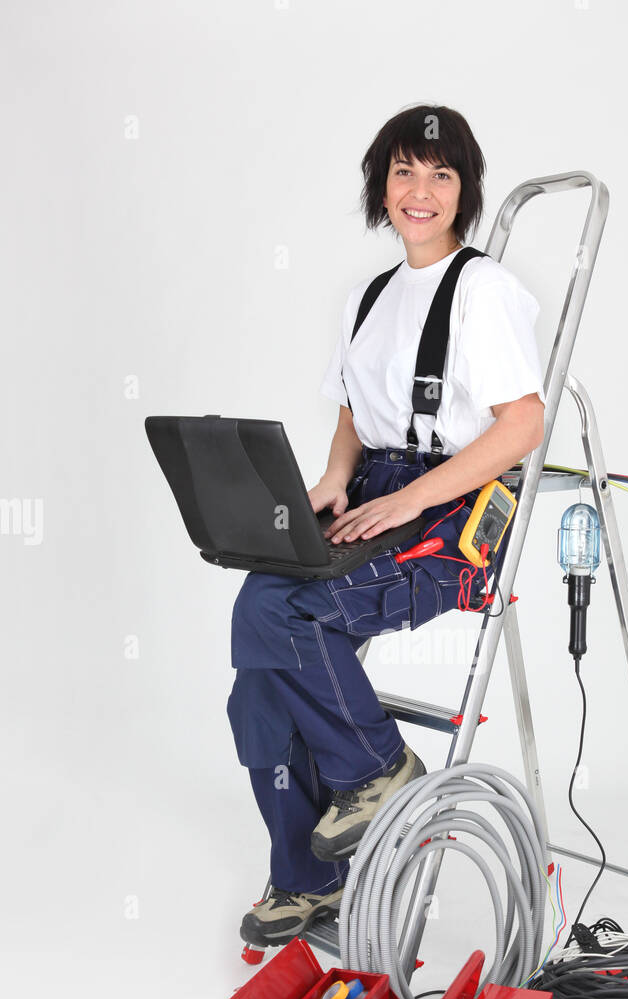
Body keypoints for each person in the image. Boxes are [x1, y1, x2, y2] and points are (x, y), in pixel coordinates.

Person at [228, 104, 546, 948]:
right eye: (405, 171)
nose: (421, 190)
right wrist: (335, 478)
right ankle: (306, 876)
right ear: (381, 186)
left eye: (441, 174)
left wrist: (413, 499)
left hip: (452, 513)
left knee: (283, 613)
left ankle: (378, 769)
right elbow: (351, 410)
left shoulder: (484, 290)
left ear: (465, 190)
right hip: (373, 494)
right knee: (258, 656)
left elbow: (522, 424)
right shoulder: (368, 297)